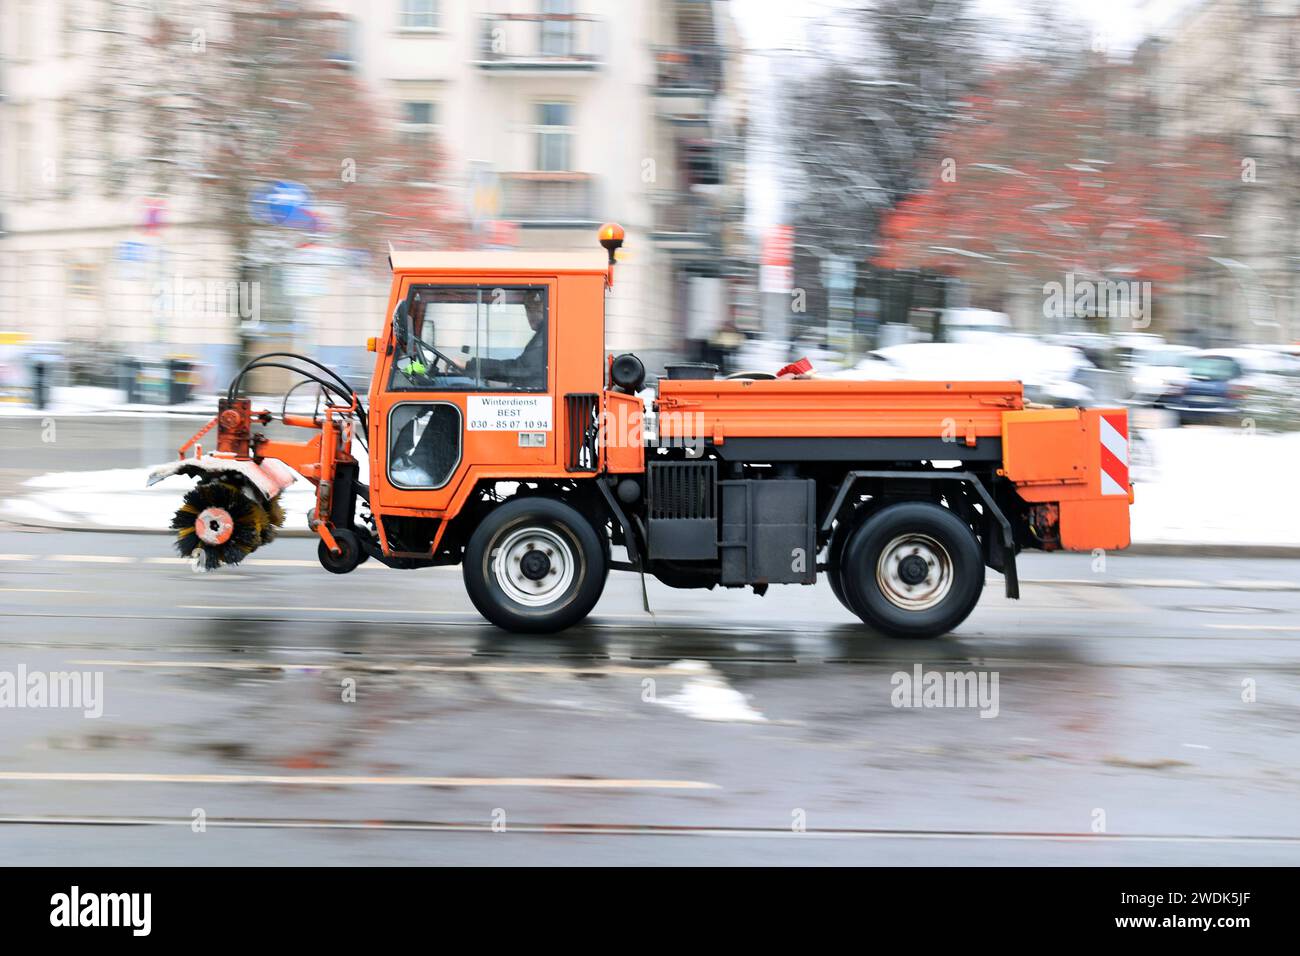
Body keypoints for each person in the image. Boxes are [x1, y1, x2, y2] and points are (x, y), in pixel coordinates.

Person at [456, 291, 547, 389]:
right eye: (527, 309)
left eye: (532, 309)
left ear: (543, 310)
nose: (529, 315)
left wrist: (470, 366)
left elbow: (519, 369)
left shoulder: (545, 336)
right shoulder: (542, 334)